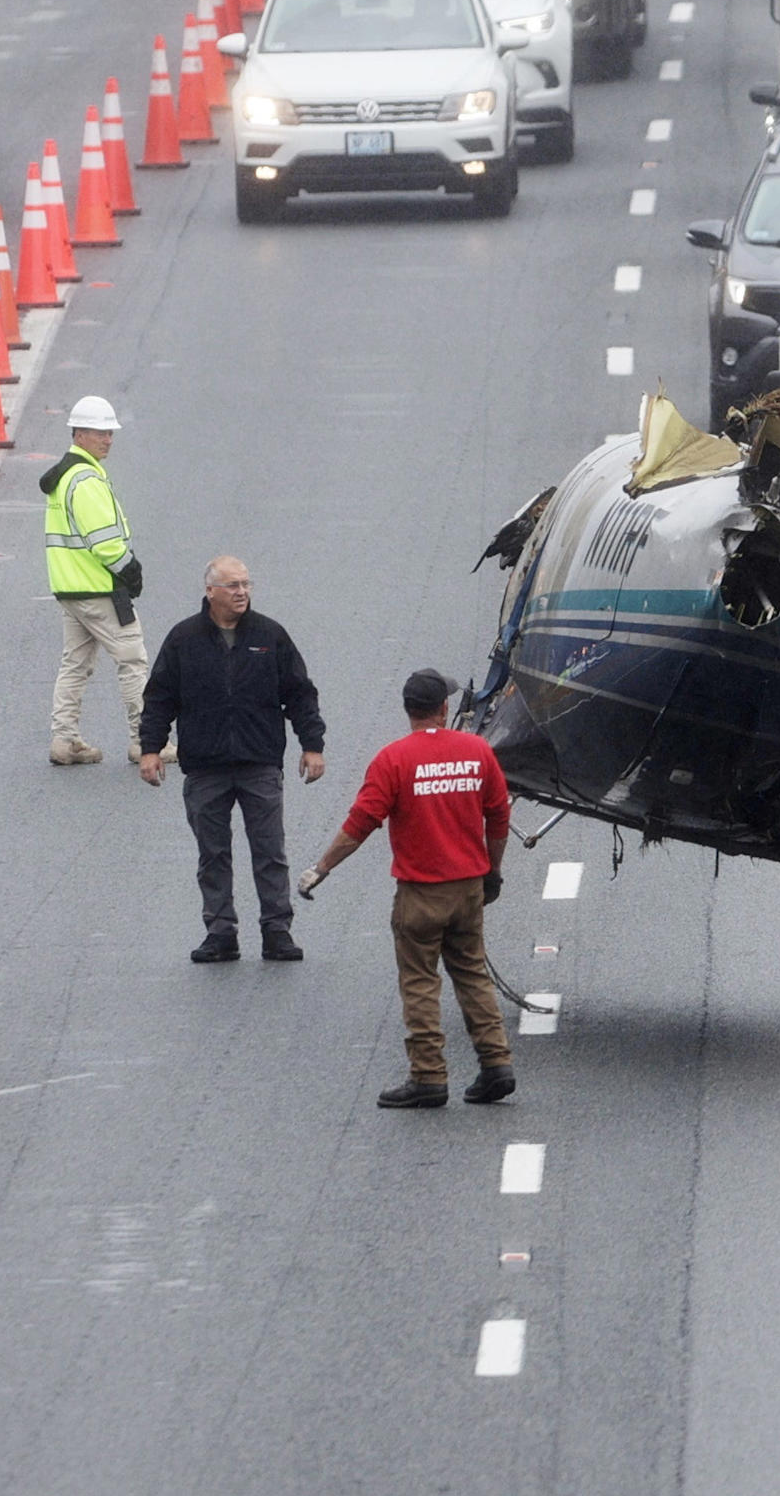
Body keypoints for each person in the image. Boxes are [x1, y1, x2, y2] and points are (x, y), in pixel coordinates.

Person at [299, 668, 516, 1109]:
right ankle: (497, 1066)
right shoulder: (477, 751)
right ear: (444, 708)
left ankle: (429, 1076)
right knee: (472, 974)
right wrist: (492, 871)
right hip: (468, 888)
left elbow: (361, 823)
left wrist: (321, 868)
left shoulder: (392, 760)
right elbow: (498, 816)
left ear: (408, 710)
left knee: (420, 982)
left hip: (420, 894)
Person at [134, 557, 326, 964]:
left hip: (259, 764)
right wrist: (150, 749)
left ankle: (277, 931)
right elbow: (159, 698)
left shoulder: (270, 635)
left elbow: (300, 694)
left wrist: (313, 745)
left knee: (270, 852)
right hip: (206, 768)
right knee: (213, 855)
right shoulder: (184, 639)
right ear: (210, 592)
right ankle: (220, 934)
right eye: (232, 585)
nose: (241, 592)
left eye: (246, 584)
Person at [37, 400, 142, 768]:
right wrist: (130, 570)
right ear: (79, 434)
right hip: (100, 588)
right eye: (100, 432)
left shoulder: (64, 476)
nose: (108, 439)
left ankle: (64, 741)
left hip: (71, 589)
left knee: (75, 664)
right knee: (133, 660)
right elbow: (106, 543)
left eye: (110, 432)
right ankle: (147, 741)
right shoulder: (85, 480)